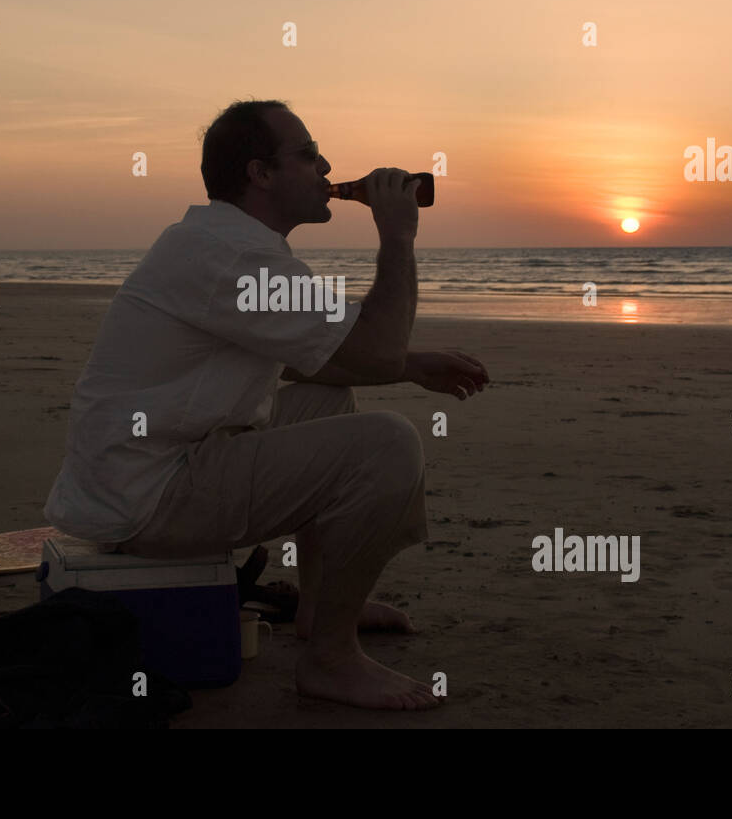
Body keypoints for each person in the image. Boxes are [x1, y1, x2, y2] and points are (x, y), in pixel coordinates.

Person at [44, 99, 489, 710]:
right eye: (307, 153)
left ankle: (317, 608)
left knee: (327, 396)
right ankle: (330, 660)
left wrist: (412, 368)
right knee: (388, 444)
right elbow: (377, 350)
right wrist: (398, 237)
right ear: (260, 174)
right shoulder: (236, 258)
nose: (327, 164)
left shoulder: (220, 244)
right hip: (151, 497)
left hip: (139, 474)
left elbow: (317, 357)